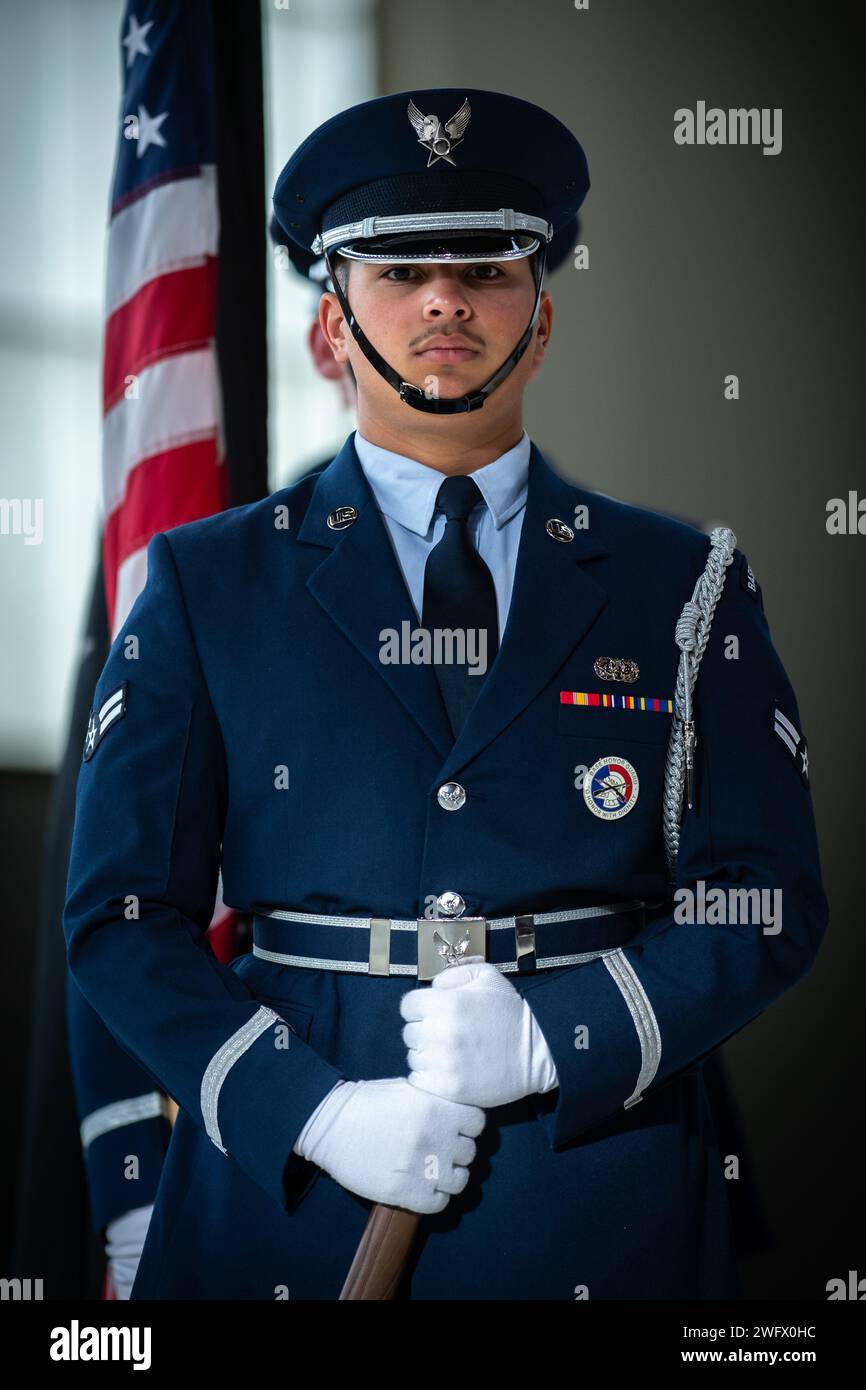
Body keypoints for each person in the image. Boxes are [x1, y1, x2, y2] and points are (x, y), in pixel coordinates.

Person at [63, 87, 828, 1300]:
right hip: (294, 1187)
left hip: (599, 1178)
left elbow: (764, 895)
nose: (442, 299)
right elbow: (121, 918)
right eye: (397, 269)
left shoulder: (684, 583)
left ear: (540, 319)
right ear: (330, 327)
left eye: (483, 268)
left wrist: (554, 1032)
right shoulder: (210, 582)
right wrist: (307, 1111)